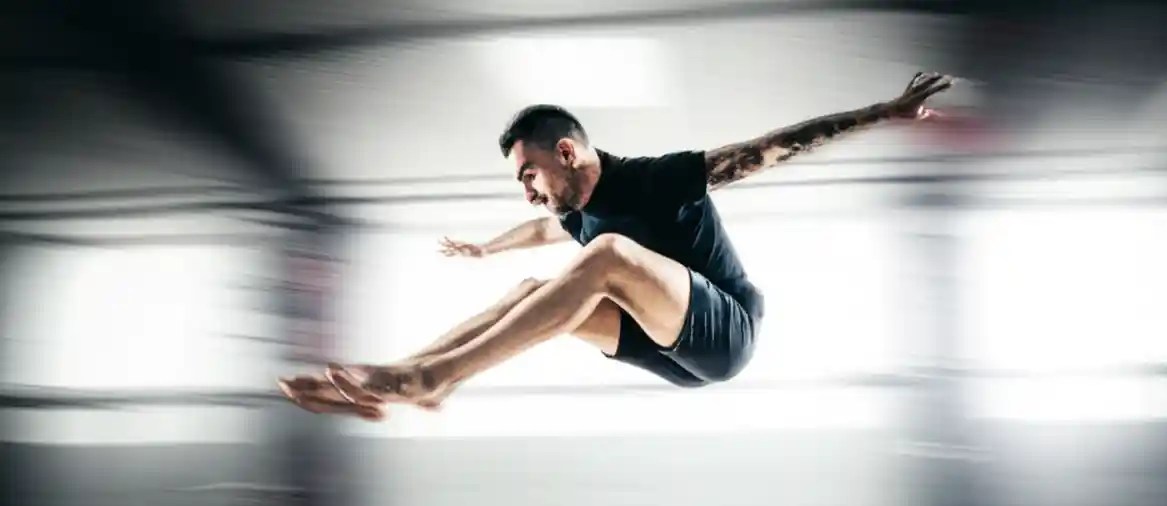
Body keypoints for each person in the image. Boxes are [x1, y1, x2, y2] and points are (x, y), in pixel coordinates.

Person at [279, 71, 954, 420]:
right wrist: (490, 250)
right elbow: (540, 228)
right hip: (670, 357)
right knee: (530, 287)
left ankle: (433, 379)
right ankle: (405, 381)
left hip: (727, 333)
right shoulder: (574, 216)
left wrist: (880, 114)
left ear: (567, 152)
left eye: (530, 174)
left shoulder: (659, 179)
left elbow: (769, 149)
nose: (528, 191)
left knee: (602, 261)